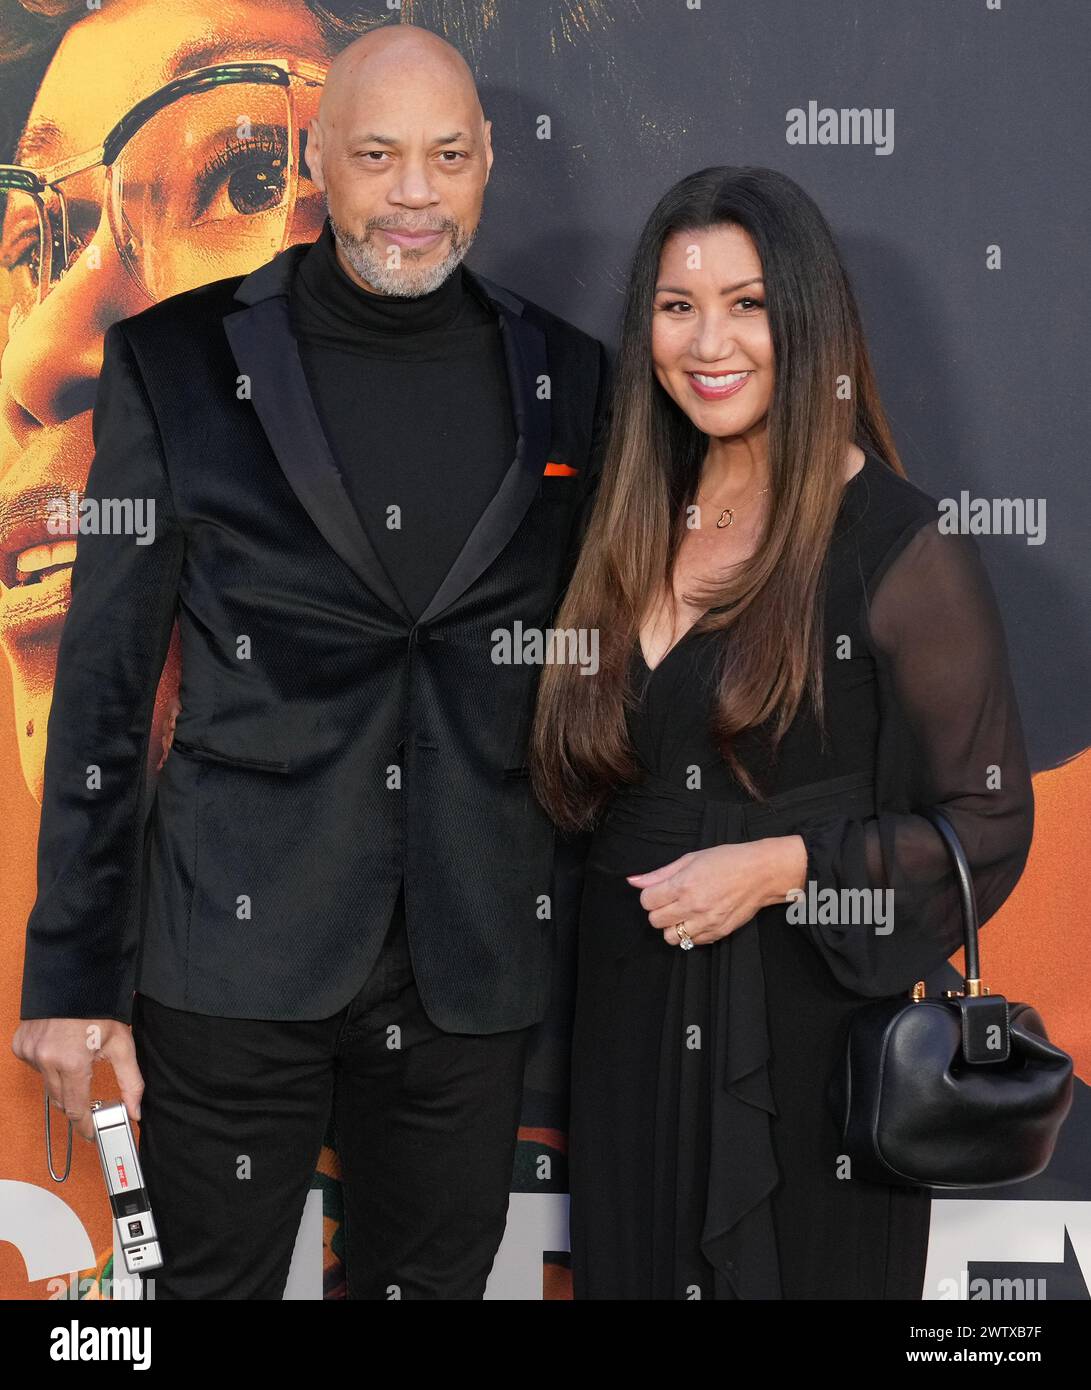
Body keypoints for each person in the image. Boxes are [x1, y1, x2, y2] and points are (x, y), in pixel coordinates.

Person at [13, 23, 608, 1300]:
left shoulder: (570, 378)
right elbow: (108, 695)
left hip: (467, 966)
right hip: (231, 959)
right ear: (318, 161)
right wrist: (71, 978)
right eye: (378, 155)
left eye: (446, 157)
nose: (412, 193)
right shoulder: (176, 363)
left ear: (486, 162)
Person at [531, 166, 1035, 1300]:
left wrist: (784, 868)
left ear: (808, 318)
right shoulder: (626, 517)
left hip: (804, 1043)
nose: (708, 340)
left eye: (746, 303)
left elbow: (991, 818)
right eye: (676, 306)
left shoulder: (901, 548)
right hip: (628, 1021)